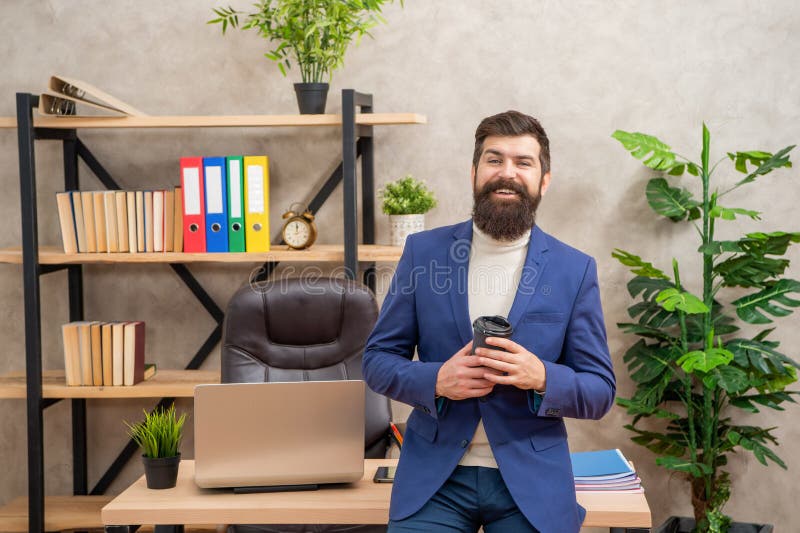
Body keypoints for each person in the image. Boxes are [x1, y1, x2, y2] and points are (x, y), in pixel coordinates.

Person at [362, 110, 616, 533]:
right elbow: (377, 359)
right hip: (435, 481)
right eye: (494, 160)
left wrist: (541, 377)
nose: (507, 173)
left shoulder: (575, 270)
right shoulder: (423, 254)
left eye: (523, 162)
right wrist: (437, 380)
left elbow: (600, 390)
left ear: (544, 180)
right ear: (474, 172)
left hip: (531, 484)